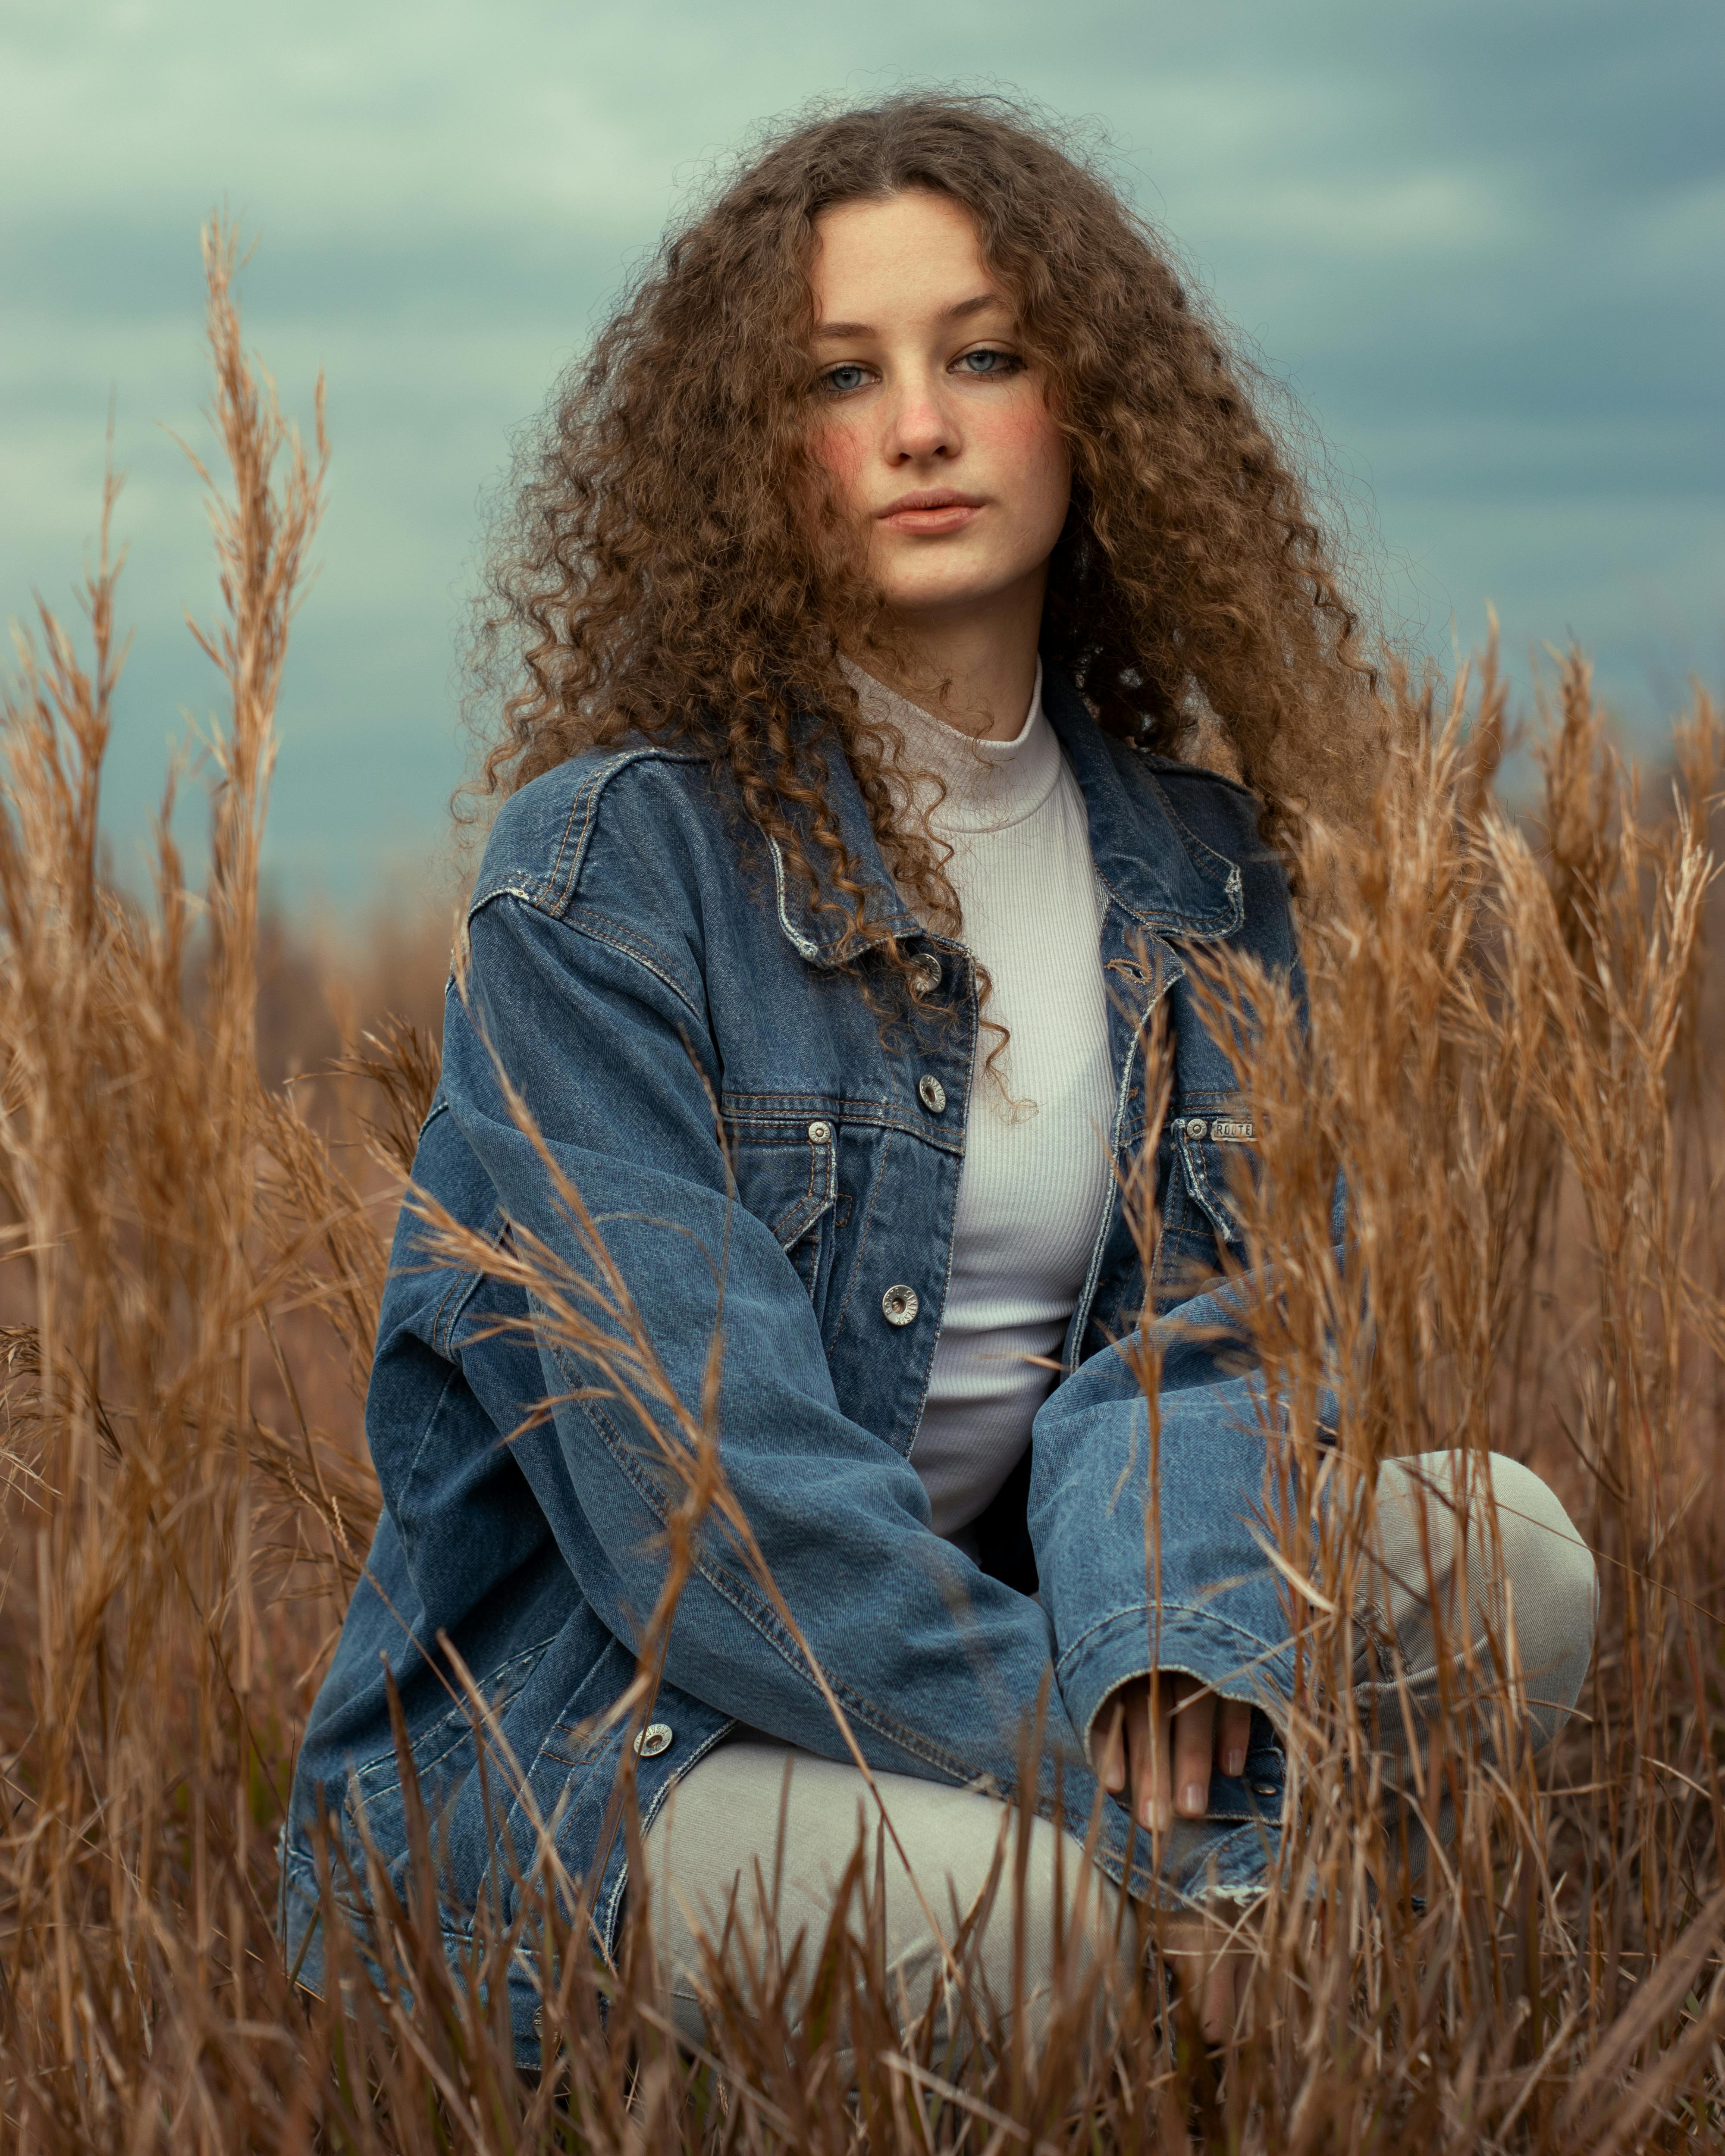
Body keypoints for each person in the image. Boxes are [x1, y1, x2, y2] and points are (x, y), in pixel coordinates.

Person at [278, 94, 1596, 2063]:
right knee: (1043, 1930)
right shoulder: (612, 873)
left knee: (1505, 1559)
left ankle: (1198, 1973)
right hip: (620, 1728)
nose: (918, 426)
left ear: (1092, 410)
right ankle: (1199, 1951)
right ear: (757, 457)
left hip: (1027, 1624)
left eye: (982, 356)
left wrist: (1171, 1646)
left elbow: (1209, 1353)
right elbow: (702, 1498)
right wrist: (1133, 1784)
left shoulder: (1207, 875)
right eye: (842, 376)